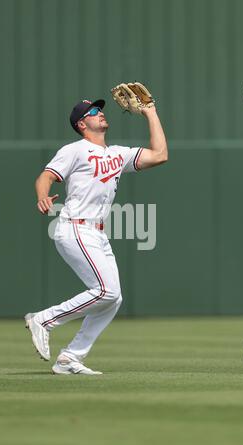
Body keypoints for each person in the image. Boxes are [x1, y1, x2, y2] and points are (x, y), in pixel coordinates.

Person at [25, 95, 168, 375]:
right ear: (81, 123)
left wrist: (150, 112)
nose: (100, 113)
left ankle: (70, 358)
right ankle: (44, 320)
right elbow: (45, 176)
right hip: (74, 227)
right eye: (93, 111)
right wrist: (42, 196)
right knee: (107, 291)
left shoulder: (117, 154)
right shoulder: (75, 150)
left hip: (98, 234)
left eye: (100, 110)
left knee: (113, 299)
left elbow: (160, 154)